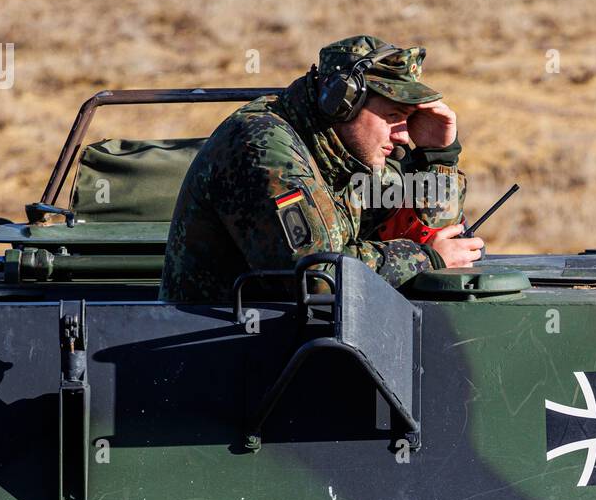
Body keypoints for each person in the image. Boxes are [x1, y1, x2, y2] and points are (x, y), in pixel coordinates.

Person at [159, 35, 483, 303]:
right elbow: (316, 278)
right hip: (216, 350)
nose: (402, 136)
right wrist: (426, 259)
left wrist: (437, 157)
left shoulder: (347, 156)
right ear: (343, 103)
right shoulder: (262, 147)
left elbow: (430, 231)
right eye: (393, 116)